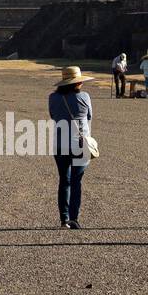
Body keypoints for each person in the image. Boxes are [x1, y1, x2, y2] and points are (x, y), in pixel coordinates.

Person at [49, 66, 94, 229]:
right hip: (80, 144)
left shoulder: (53, 98)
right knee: (76, 181)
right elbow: (89, 117)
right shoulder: (85, 97)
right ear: (78, 82)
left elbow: (53, 116)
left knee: (64, 181)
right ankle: (74, 218)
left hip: (60, 144)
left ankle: (64, 219)